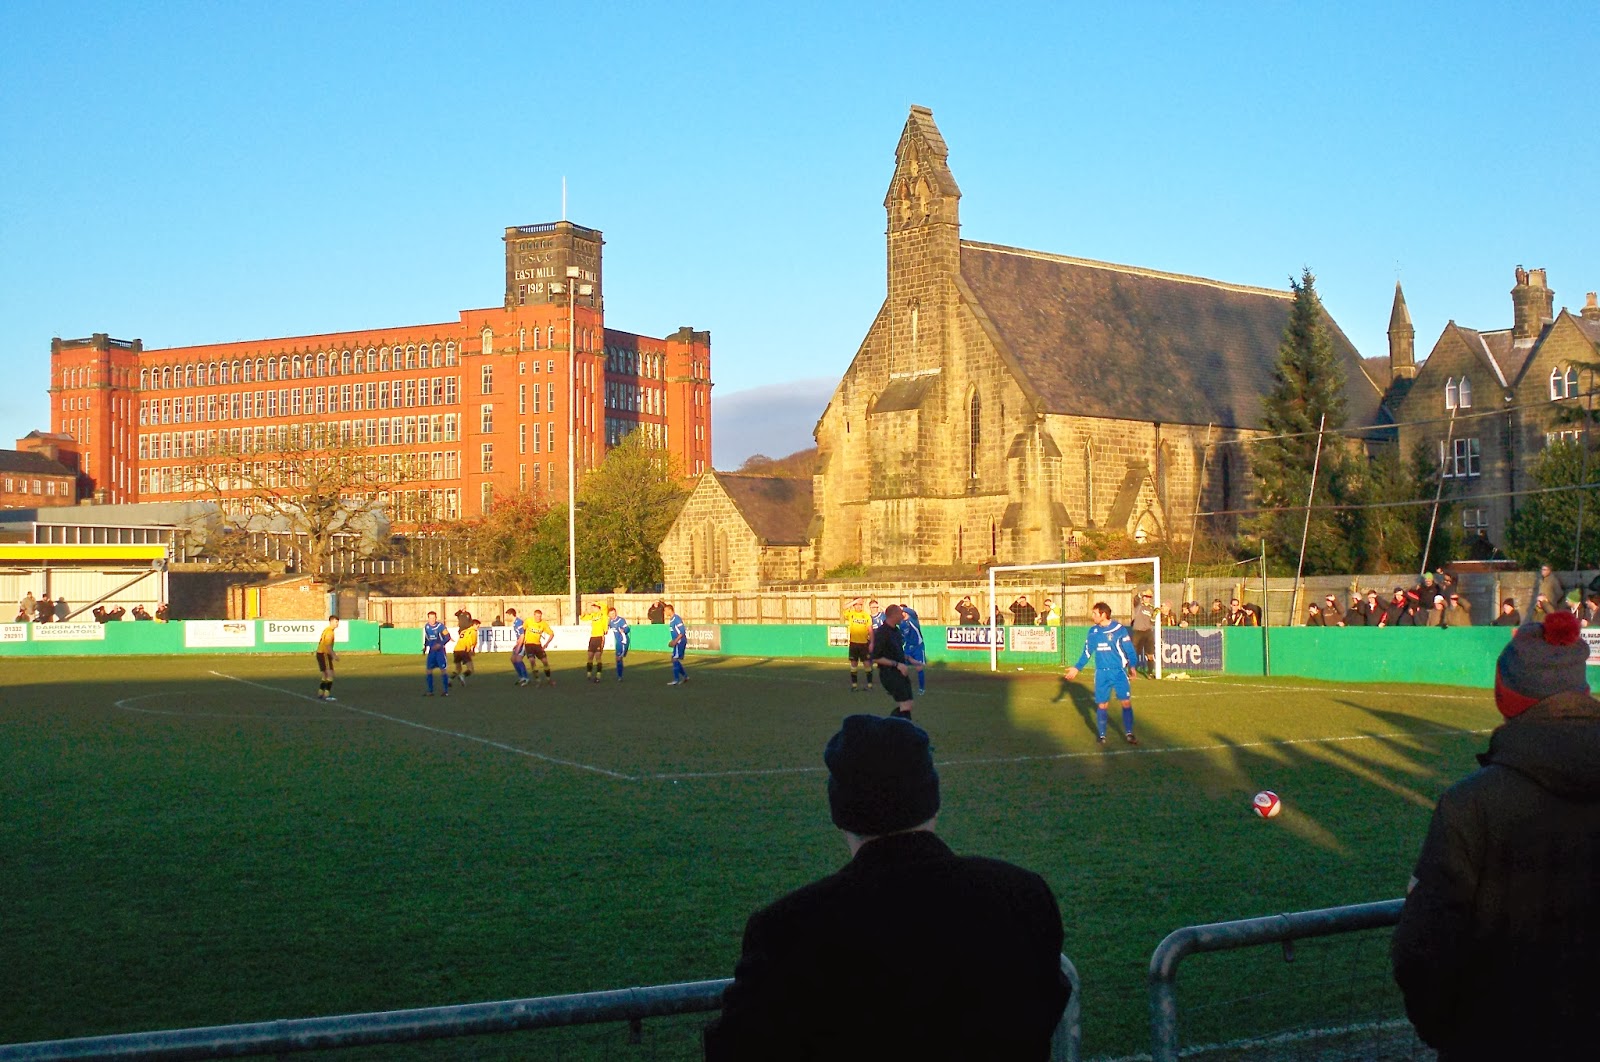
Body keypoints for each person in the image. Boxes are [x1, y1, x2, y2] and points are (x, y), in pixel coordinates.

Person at [703, 714, 1071, 1061]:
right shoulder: (1023, 897)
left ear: (838, 812)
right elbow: (1045, 1008)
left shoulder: (786, 931)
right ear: (934, 802)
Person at [1391, 610, 1600, 1059]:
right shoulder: (1475, 803)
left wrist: (1451, 1033)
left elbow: (1422, 948)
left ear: (1508, 698)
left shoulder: (1472, 804)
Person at [1064, 601, 1138, 745]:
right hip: (1101, 674)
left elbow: (1129, 650)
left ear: (1103, 614)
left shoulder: (1119, 629)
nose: (1092, 616)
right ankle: (1102, 736)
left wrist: (1132, 666)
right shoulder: (1093, 631)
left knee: (1126, 702)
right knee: (1102, 705)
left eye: (1095, 613)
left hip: (1119, 673)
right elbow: (1087, 652)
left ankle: (1129, 733)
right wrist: (1077, 668)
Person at [872, 604, 916, 718]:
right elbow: (876, 657)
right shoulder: (882, 632)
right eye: (900, 613)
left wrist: (908, 658)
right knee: (905, 705)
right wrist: (897, 665)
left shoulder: (896, 631)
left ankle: (893, 726)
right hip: (889, 674)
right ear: (894, 615)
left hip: (900, 673)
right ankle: (900, 731)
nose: (902, 616)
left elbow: (896, 651)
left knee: (909, 704)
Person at [842, 597, 874, 692]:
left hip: (864, 643)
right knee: (853, 663)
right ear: (854, 605)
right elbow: (844, 607)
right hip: (853, 643)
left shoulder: (866, 615)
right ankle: (854, 685)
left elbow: (870, 630)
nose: (858, 606)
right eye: (857, 604)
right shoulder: (851, 614)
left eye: (860, 604)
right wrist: (855, 601)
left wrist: (872, 642)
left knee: (867, 664)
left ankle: (869, 685)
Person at [897, 603, 927, 697]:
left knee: (919, 668)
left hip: (918, 647)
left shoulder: (913, 619)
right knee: (901, 668)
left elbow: (913, 612)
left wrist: (902, 608)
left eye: (902, 611)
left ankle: (921, 688)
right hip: (908, 648)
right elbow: (902, 636)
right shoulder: (901, 624)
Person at [422, 610, 451, 696]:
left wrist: (440, 645)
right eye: (430, 618)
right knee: (428, 670)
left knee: (443, 670)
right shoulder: (426, 626)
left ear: (436, 618)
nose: (432, 620)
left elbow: (447, 637)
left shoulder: (441, 627)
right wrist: (425, 646)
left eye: (433, 618)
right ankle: (430, 691)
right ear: (428, 619)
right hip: (431, 652)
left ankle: (445, 691)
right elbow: (427, 637)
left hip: (440, 652)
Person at [525, 608, 556, 686]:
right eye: (537, 616)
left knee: (545, 662)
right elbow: (523, 630)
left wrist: (547, 644)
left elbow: (552, 634)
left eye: (539, 616)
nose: (538, 618)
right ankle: (537, 679)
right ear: (534, 615)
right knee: (532, 661)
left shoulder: (543, 624)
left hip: (538, 645)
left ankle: (549, 679)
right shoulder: (528, 621)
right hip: (529, 645)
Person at [580, 601, 609, 683]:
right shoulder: (593, 615)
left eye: (594, 607)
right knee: (589, 656)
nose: (592, 608)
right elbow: (583, 618)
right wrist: (584, 612)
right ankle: (589, 674)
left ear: (598, 607)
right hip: (592, 637)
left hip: (600, 637)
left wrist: (595, 602)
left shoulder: (603, 613)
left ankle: (598, 676)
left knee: (598, 657)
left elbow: (605, 606)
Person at [1129, 592, 1156, 675]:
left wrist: (1154, 618)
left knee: (1150, 653)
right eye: (1145, 597)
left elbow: (1152, 622)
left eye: (1149, 597)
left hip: (1148, 632)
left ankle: (1150, 672)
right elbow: (1135, 599)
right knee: (1134, 653)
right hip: (1138, 631)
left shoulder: (1152, 609)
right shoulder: (1139, 606)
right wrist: (1141, 593)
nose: (1147, 598)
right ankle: (1131, 671)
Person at [315, 615, 339, 701]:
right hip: (324, 654)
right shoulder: (329, 632)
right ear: (331, 621)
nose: (337, 624)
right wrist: (334, 655)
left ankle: (321, 693)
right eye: (336, 622)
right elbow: (328, 645)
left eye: (337, 622)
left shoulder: (327, 630)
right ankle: (326, 695)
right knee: (330, 674)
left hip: (320, 653)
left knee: (325, 675)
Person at [506, 607, 532, 686]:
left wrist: (518, 647)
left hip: (524, 643)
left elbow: (522, 636)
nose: (506, 617)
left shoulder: (519, 622)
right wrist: (516, 644)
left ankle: (526, 678)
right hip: (519, 642)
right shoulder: (515, 623)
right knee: (513, 659)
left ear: (511, 615)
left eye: (507, 615)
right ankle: (521, 677)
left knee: (518, 659)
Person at [452, 615, 478, 685]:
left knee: (458, 669)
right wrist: (472, 650)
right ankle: (462, 676)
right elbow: (473, 643)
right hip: (464, 650)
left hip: (456, 650)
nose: (478, 627)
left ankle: (449, 680)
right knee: (470, 669)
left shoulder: (463, 631)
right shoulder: (473, 632)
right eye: (477, 626)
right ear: (474, 625)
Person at [665, 604, 688, 685]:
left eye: (666, 610)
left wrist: (675, 641)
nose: (665, 612)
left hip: (680, 641)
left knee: (674, 659)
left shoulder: (676, 619)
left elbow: (682, 631)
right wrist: (673, 640)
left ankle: (676, 680)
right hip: (677, 641)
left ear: (670, 610)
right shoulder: (671, 620)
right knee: (674, 658)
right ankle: (685, 676)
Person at [607, 606, 630, 681]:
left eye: (613, 613)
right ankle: (620, 676)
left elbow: (627, 628)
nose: (612, 615)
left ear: (616, 613)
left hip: (623, 641)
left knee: (618, 658)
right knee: (618, 659)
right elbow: (608, 627)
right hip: (618, 642)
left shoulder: (621, 620)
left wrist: (624, 630)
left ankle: (620, 676)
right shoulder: (611, 621)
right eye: (611, 614)